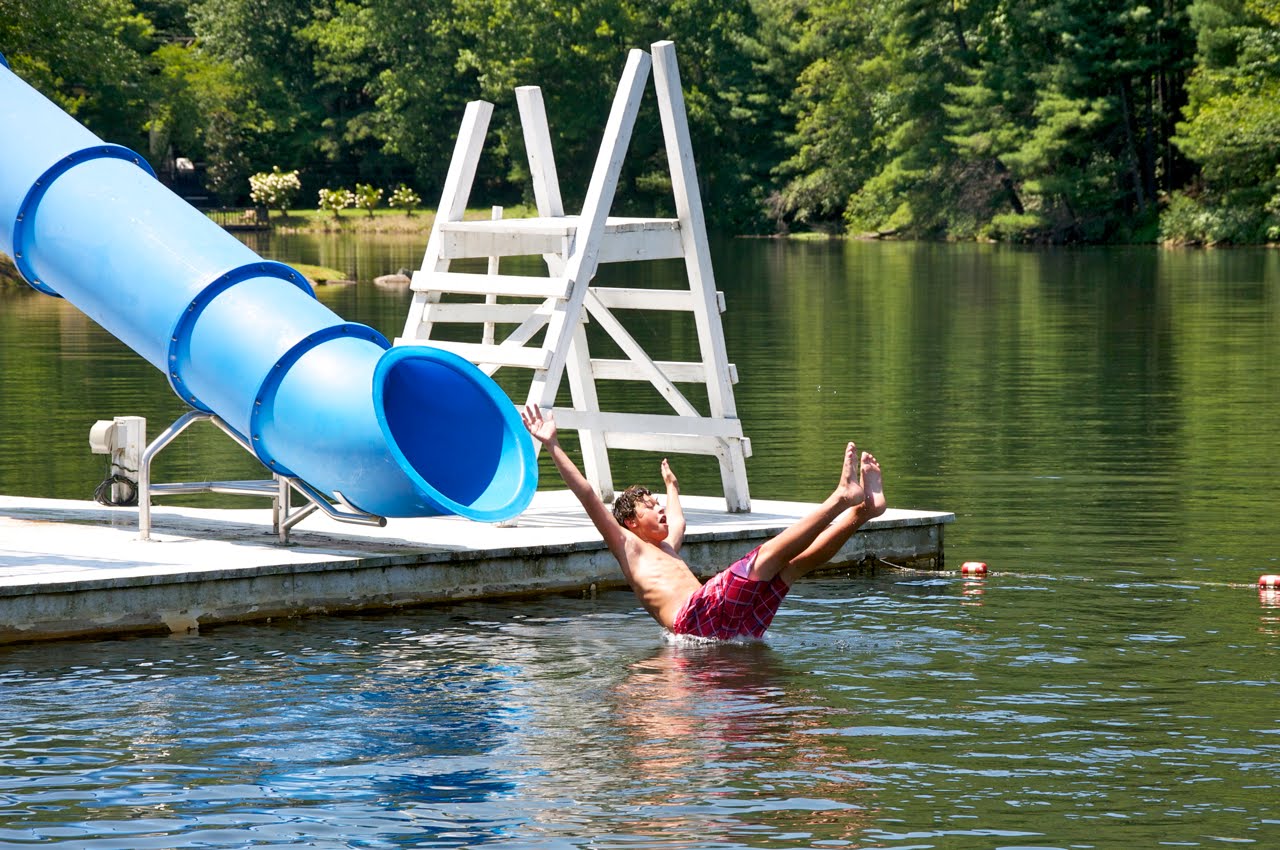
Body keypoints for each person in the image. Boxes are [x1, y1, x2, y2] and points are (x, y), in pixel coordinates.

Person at [520, 404, 887, 640]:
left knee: (793, 567)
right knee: (764, 558)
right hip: (694, 618)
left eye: (659, 503)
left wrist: (672, 487)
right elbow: (586, 493)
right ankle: (841, 496)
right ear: (631, 521)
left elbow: (678, 520)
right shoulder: (628, 548)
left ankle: (862, 512)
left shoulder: (668, 548)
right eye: (651, 506)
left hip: (726, 628)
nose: (660, 509)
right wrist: (553, 444)